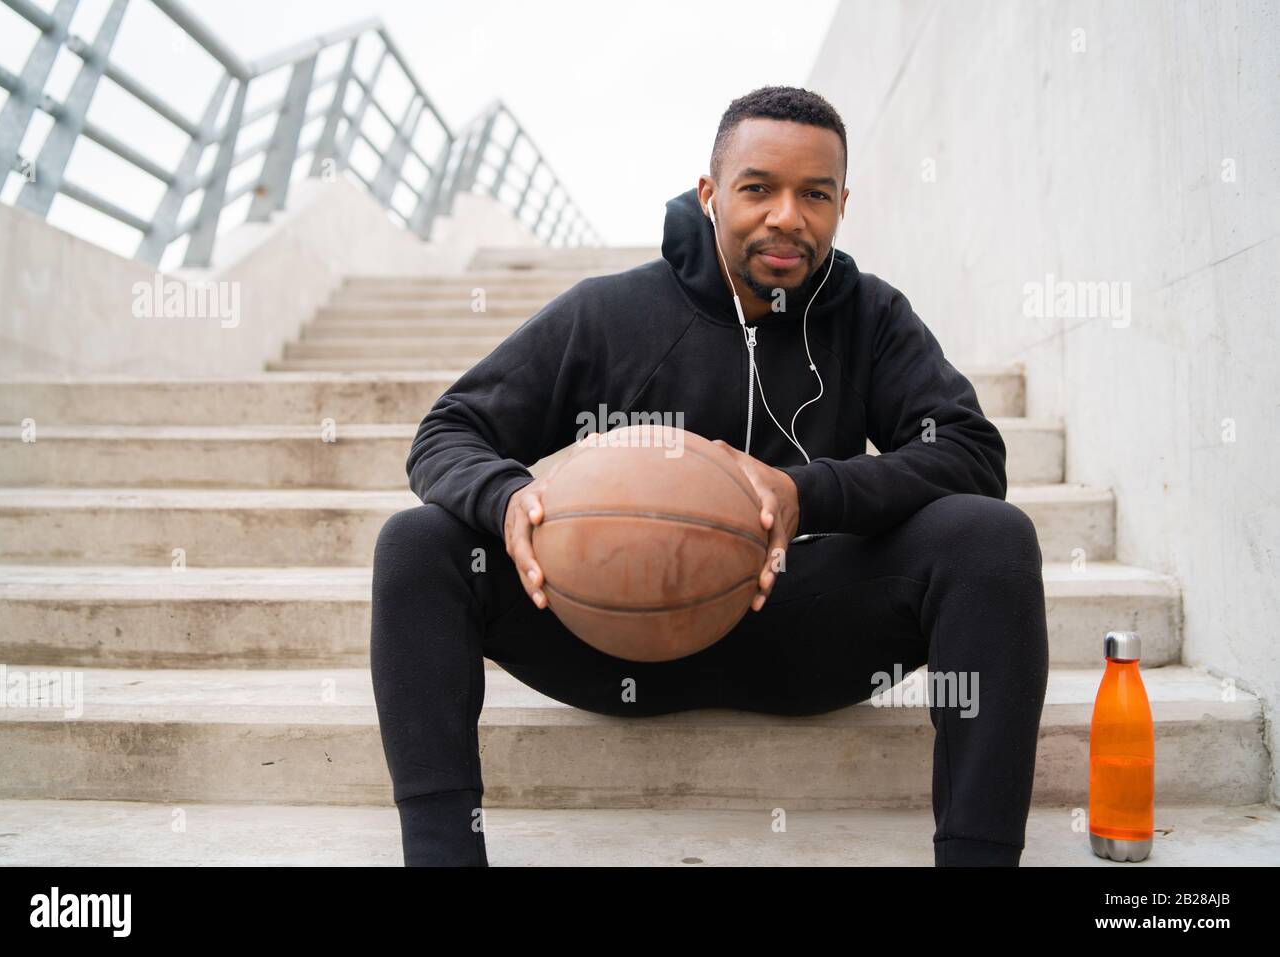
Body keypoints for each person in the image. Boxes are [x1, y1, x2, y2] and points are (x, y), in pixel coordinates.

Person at [370, 85, 1049, 867]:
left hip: (807, 628)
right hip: (617, 635)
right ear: (710, 193)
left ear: (841, 204)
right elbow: (448, 431)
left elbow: (969, 451)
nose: (787, 216)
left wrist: (808, 492)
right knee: (419, 543)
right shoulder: (610, 313)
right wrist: (508, 496)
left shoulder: (870, 316)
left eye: (814, 194)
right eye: (758, 188)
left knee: (992, 537)